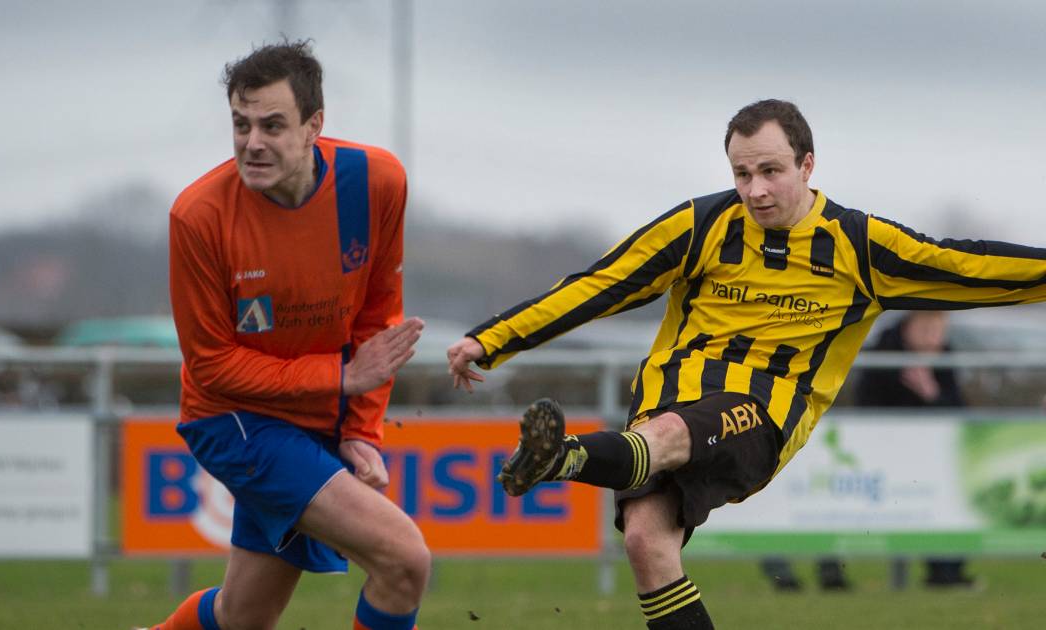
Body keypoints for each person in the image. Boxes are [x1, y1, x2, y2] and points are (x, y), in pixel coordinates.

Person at [446, 99, 1046, 628]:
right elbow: (602, 283)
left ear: (807, 166)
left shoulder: (859, 246)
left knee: (669, 435)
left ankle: (566, 457)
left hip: (763, 411)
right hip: (671, 392)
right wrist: (492, 339)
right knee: (647, 545)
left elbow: (968, 265)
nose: (755, 190)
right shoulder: (701, 225)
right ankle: (564, 458)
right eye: (741, 174)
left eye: (770, 171)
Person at [146, 41, 429, 630]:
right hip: (232, 419)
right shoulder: (198, 216)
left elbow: (376, 322)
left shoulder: (375, 182)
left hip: (317, 416)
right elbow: (211, 366)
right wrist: (340, 379)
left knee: (243, 616)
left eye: (272, 125)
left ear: (313, 127)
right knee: (403, 559)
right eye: (241, 124)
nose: (252, 142)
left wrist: (361, 431)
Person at [760, 311, 971, 592]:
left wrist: (932, 394)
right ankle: (803, 571)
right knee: (822, 504)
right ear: (909, 326)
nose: (934, 338)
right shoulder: (881, 355)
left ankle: (945, 573)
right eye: (927, 329)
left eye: (939, 329)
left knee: (939, 504)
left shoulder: (944, 359)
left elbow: (960, 414)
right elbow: (867, 405)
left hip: (918, 457)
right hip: (871, 453)